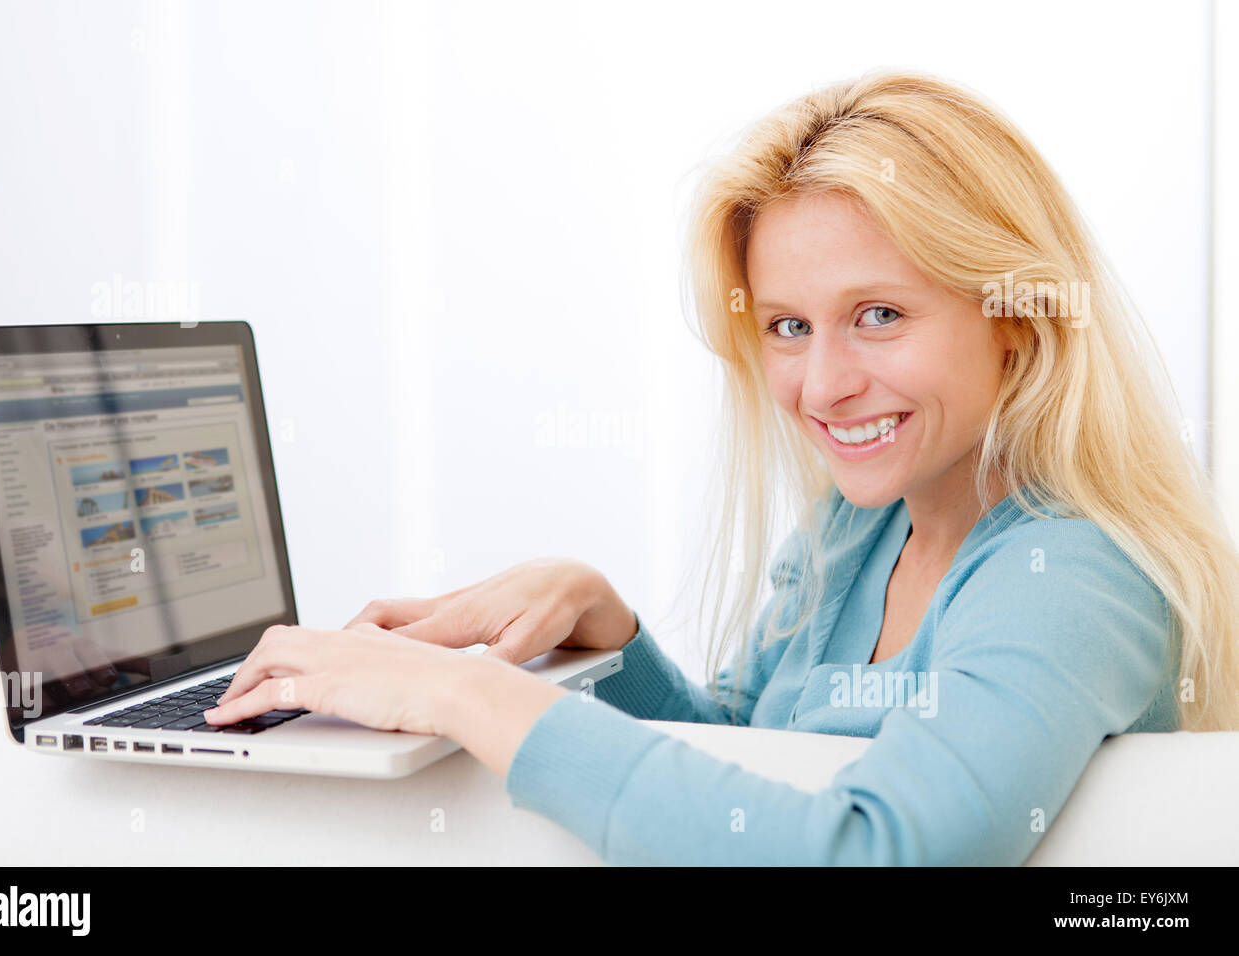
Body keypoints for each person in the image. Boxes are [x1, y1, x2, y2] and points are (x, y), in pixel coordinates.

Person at [205, 69, 1239, 864]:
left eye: (877, 315)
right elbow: (753, 762)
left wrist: (470, 699)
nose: (821, 383)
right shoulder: (857, 528)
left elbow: (873, 849)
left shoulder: (1074, 576)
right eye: (788, 324)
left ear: (1013, 318)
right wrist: (611, 634)